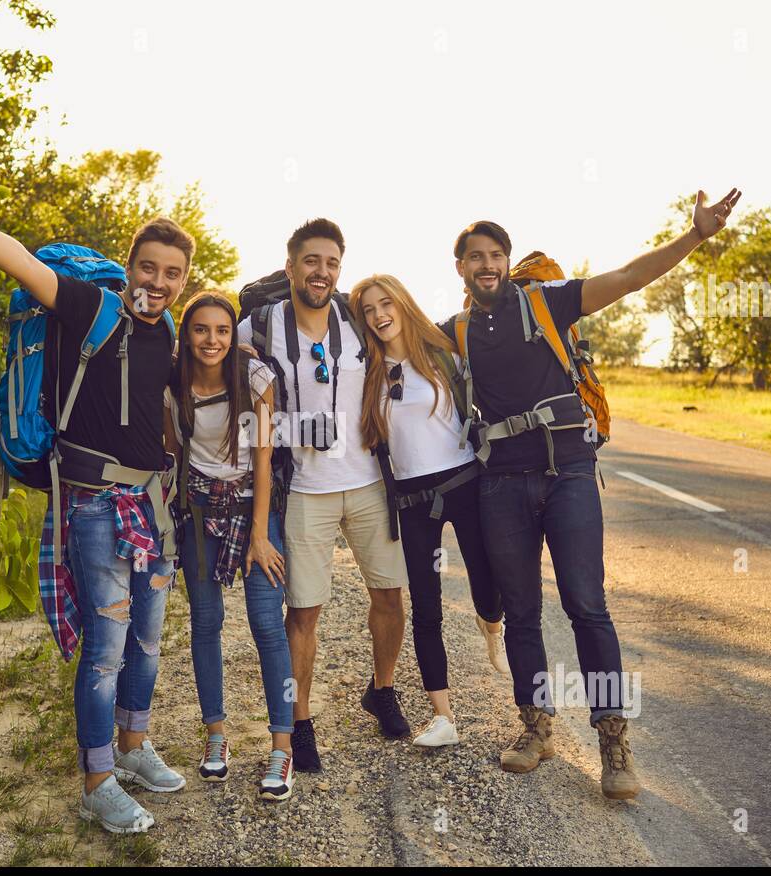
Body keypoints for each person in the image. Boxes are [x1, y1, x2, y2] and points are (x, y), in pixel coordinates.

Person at [0, 164, 193, 832]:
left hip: (152, 505)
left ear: (183, 280)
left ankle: (136, 747)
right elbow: (21, 261)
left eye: (172, 274)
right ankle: (97, 780)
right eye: (149, 267)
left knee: (147, 641)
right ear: (129, 267)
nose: (158, 283)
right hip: (91, 505)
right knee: (107, 649)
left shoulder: (165, 332)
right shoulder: (93, 306)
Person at [443, 188, 741, 799]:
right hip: (501, 481)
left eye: (495, 253)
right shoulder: (459, 329)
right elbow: (384, 327)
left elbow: (630, 276)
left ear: (508, 259)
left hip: (568, 472)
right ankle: (536, 729)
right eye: (474, 255)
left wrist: (695, 237)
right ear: (460, 268)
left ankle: (612, 740)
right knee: (522, 611)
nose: (486, 264)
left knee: (586, 604)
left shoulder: (549, 302)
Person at [237, 219, 411, 772]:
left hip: (367, 485)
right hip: (305, 491)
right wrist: (292, 429)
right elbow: (241, 416)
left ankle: (381, 690)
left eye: (332, 263)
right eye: (312, 261)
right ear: (290, 267)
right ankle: (301, 720)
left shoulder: (357, 322)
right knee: (304, 611)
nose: (322, 272)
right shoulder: (256, 329)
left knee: (389, 594)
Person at [351, 274, 508, 748]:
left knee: (488, 581)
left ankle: (492, 625)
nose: (379, 315)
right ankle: (442, 716)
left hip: (463, 482)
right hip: (412, 499)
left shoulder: (443, 351)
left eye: (386, 304)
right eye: (369, 310)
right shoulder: (367, 372)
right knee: (426, 606)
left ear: (402, 303)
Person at [165, 291, 296, 801]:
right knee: (207, 622)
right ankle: (215, 736)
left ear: (233, 334)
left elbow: (263, 460)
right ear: (187, 334)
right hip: (200, 511)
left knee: (267, 622)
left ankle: (280, 750)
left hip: (252, 509)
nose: (212, 340)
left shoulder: (255, 379)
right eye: (201, 330)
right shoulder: (174, 383)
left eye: (222, 330)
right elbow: (174, 452)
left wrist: (261, 535)